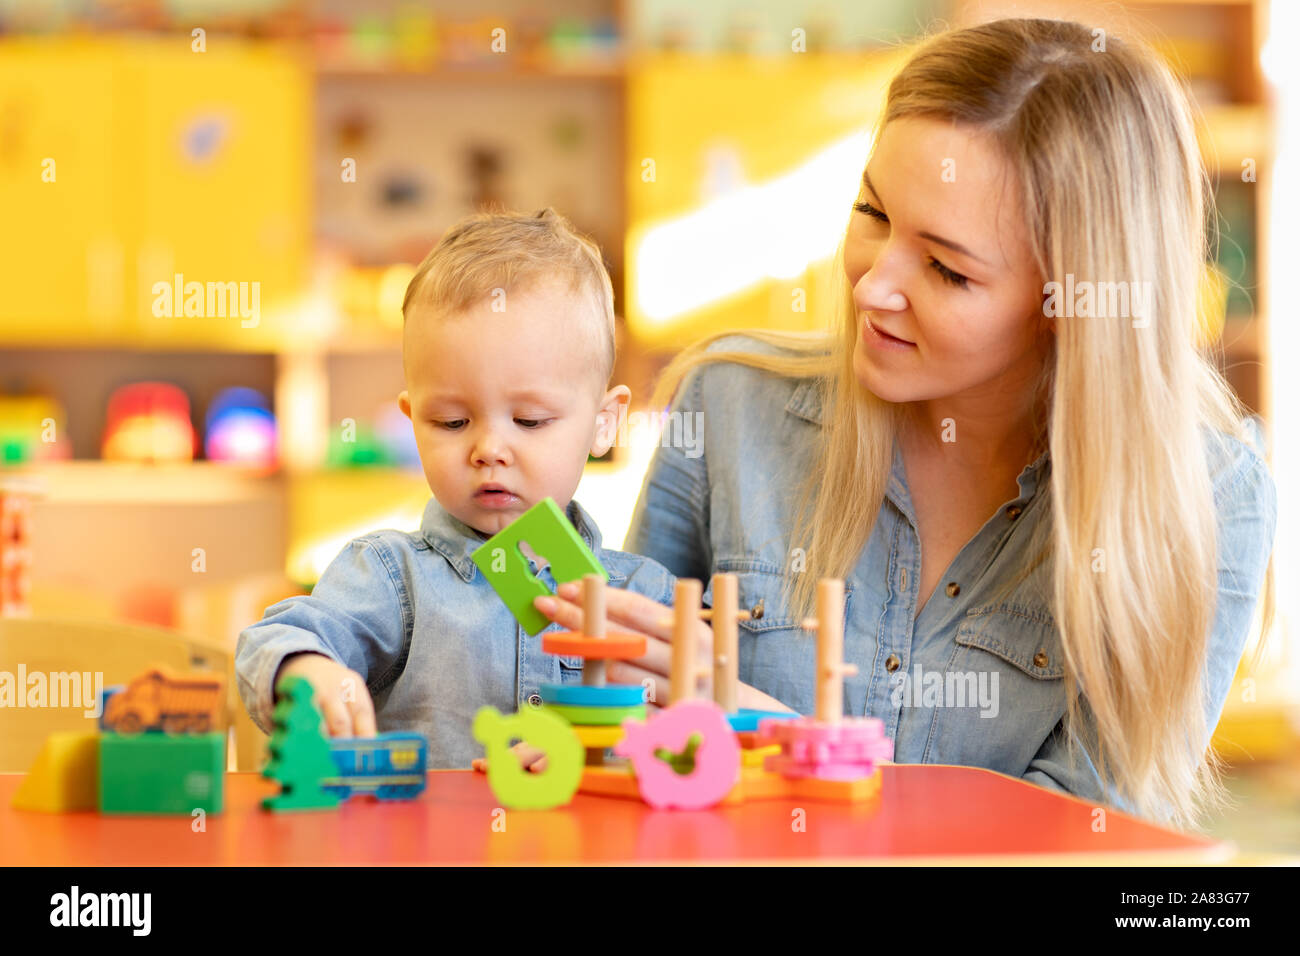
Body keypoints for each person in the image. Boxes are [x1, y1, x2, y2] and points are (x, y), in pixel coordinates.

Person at [532, 18, 1277, 828]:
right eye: (873, 213)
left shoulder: (1205, 499)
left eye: (947, 269)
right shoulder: (729, 404)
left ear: (1069, 302)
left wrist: (774, 731)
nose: (870, 287)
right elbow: (612, 732)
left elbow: (1087, 836)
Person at [238, 209, 742, 767]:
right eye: (452, 422)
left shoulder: (640, 594)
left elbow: (703, 738)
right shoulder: (389, 575)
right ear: (412, 419)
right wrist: (310, 670)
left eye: (529, 421)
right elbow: (272, 640)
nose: (488, 450)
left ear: (604, 423)